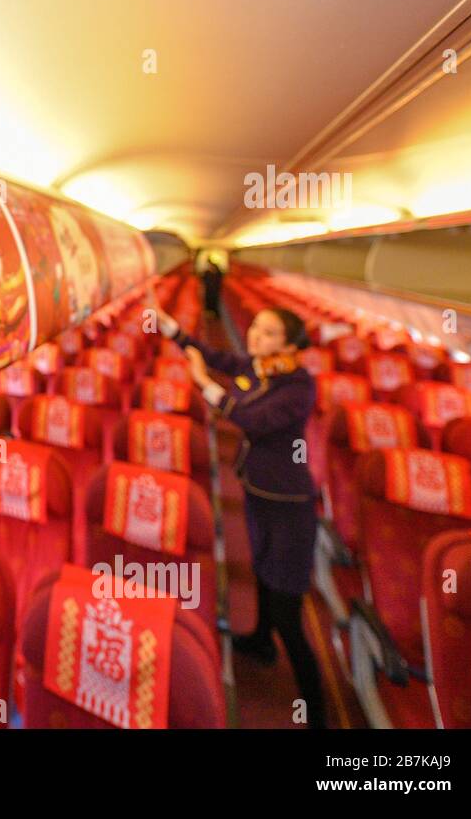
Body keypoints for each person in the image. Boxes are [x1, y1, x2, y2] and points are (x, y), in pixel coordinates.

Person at [154, 301, 328, 729]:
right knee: (261, 570)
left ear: (290, 345)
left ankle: (318, 712)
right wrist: (174, 331)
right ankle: (260, 641)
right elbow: (218, 357)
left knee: (288, 611)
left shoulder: (299, 386)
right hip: (258, 491)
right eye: (255, 328)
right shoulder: (259, 367)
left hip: (288, 507)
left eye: (268, 333)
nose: (254, 336)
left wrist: (202, 383)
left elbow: (252, 419)